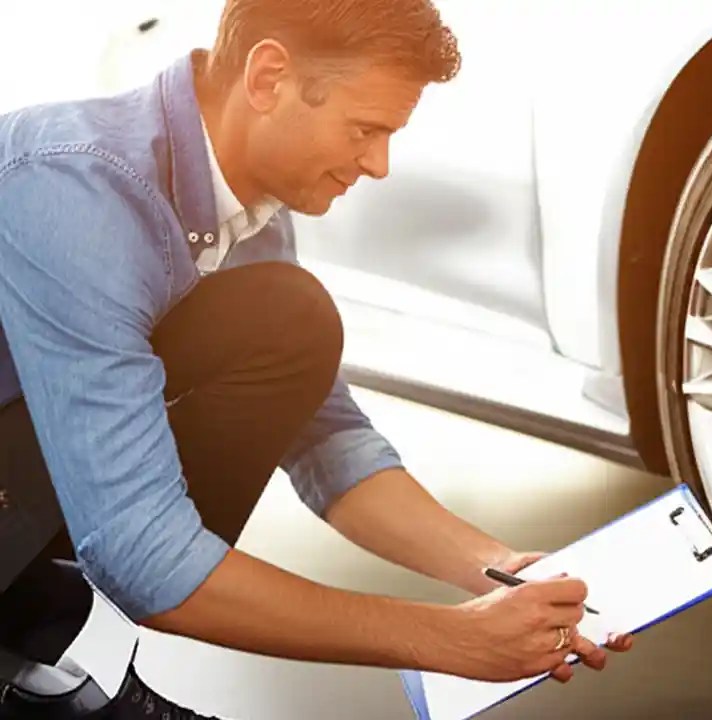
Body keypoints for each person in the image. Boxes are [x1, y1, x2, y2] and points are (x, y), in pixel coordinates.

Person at [0, 0, 632, 717]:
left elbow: (327, 440)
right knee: (282, 324)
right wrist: (445, 639)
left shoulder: (246, 208)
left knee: (289, 324)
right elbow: (138, 549)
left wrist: (499, 569)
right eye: (366, 130)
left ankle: (49, 659)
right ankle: (39, 652)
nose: (380, 163)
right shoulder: (75, 190)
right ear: (269, 78)